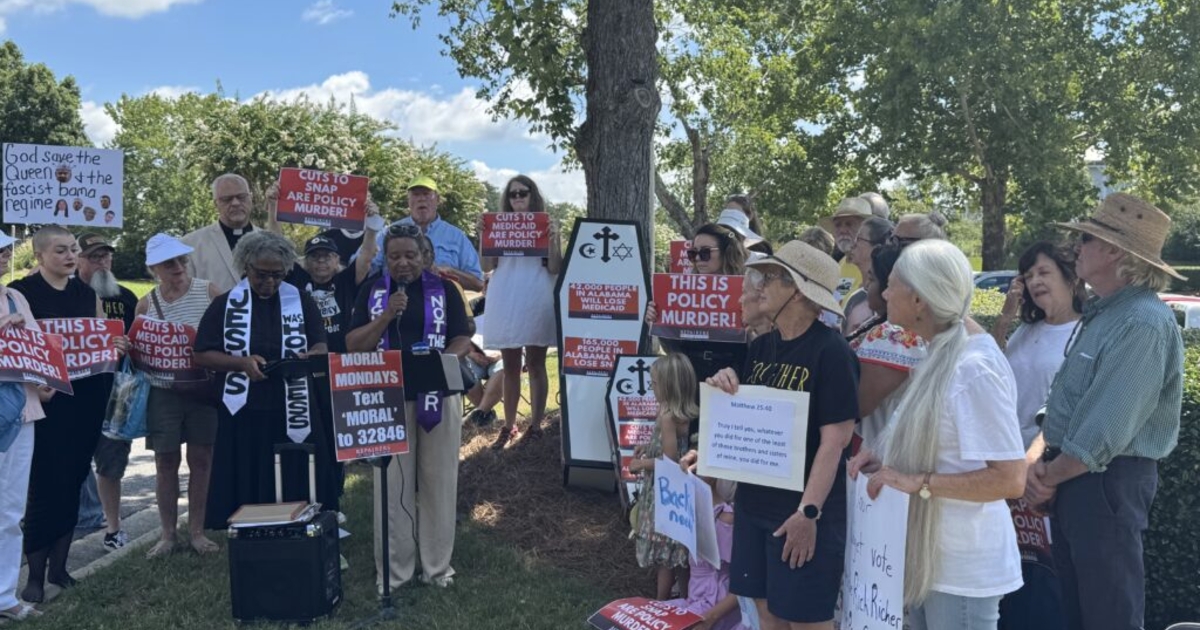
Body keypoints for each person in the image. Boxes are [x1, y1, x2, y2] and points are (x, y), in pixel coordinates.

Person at [1026, 193, 1186, 630]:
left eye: (1086, 239)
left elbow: (1102, 433)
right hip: (1085, 480)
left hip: (1102, 482)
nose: (1076, 247)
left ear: (1115, 252)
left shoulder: (1141, 322)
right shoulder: (1112, 314)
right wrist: (1046, 466)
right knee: (1084, 612)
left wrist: (1047, 475)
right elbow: (1070, 404)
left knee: (1107, 616)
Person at [848, 239, 1026, 630]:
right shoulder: (941, 353)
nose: (883, 294)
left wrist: (918, 482)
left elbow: (1010, 479)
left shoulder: (973, 368)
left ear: (918, 301)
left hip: (961, 570)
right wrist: (886, 459)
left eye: (891, 285)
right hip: (930, 563)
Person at [706, 240, 859, 629]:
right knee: (765, 612)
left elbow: (835, 441)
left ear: (798, 290)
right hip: (755, 506)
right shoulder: (761, 348)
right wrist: (727, 384)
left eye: (771, 277)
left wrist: (808, 513)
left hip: (801, 513)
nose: (760, 286)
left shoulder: (832, 352)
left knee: (806, 620)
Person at [346, 224, 473, 591]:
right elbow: (353, 344)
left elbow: (462, 337)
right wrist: (386, 316)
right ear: (385, 259)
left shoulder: (446, 289)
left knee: (438, 483)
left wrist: (443, 361)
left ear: (425, 257)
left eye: (410, 255)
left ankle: (437, 569)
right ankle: (394, 572)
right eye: (395, 256)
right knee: (392, 486)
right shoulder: (372, 291)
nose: (403, 263)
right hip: (388, 400)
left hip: (438, 396)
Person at [11, 226, 127, 604]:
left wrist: (115, 345)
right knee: (44, 486)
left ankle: (60, 569)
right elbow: (15, 347)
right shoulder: (22, 293)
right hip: (47, 401)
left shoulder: (86, 293)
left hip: (87, 399)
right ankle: (34, 576)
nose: (70, 256)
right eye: (60, 250)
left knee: (74, 479)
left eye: (73, 249)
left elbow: (101, 339)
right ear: (40, 256)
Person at [193, 231, 332, 529]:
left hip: (293, 405)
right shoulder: (226, 303)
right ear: (246, 266)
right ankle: (251, 532)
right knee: (249, 473)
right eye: (262, 274)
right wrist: (239, 363)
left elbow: (320, 344)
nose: (269, 282)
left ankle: (298, 528)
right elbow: (202, 353)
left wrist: (310, 356)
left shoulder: (301, 301)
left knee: (294, 471)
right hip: (244, 408)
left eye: (278, 275)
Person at [988, 241, 1082, 630]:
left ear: (1070, 277)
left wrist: (1040, 461)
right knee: (1011, 579)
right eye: (1028, 275)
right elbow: (990, 366)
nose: (1035, 281)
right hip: (1006, 467)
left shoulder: (1085, 333)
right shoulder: (1027, 331)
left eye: (1044, 272)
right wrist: (1006, 316)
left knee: (1047, 579)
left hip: (1045, 470)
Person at [135, 234, 223, 558]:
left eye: (182, 259)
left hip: (202, 388)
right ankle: (168, 534)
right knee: (165, 460)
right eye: (169, 262)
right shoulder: (146, 304)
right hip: (163, 392)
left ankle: (197, 531)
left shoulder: (209, 291)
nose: (178, 267)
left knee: (201, 459)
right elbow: (138, 351)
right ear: (154, 269)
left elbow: (229, 332)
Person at [479, 176, 561, 448]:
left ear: (532, 195)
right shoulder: (498, 226)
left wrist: (554, 240)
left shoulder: (545, 225)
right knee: (510, 366)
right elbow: (487, 265)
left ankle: (536, 426)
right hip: (506, 298)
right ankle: (509, 425)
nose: (517, 198)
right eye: (512, 194)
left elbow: (555, 267)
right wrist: (483, 236)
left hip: (536, 297)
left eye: (522, 193)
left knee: (536, 364)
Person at [74, 233, 140, 552]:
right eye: (94, 257)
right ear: (79, 260)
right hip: (75, 390)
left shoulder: (126, 297)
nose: (102, 262)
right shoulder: (67, 294)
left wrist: (130, 346)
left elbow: (141, 341)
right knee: (69, 460)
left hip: (117, 391)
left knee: (112, 462)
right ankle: (67, 523)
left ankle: (113, 528)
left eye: (106, 256)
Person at [0, 234, 51, 622]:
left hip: (22, 412)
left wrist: (45, 380)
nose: (4, 255)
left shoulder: (17, 298)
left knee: (11, 509)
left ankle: (5, 596)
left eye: (5, 249)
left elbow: (35, 350)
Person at [628, 353, 697, 600]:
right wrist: (647, 447)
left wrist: (641, 464)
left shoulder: (668, 417)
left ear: (668, 386)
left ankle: (661, 601)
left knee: (665, 553)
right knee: (679, 552)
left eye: (654, 383)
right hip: (679, 491)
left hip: (664, 492)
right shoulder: (681, 414)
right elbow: (668, 446)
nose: (652, 388)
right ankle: (689, 599)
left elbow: (669, 461)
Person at [645, 223, 749, 386]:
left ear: (726, 252)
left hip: (731, 378)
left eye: (705, 252)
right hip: (688, 377)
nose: (698, 258)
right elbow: (672, 349)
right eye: (693, 253)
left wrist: (751, 327)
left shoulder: (747, 291)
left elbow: (756, 345)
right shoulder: (681, 293)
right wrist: (658, 323)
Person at [847, 244, 926, 450]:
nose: (866, 286)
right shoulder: (879, 323)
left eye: (872, 279)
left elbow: (856, 404)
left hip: (875, 448)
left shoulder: (895, 336)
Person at [368, 176, 484, 292]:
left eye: (426, 194)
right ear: (408, 201)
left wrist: (450, 272)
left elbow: (478, 284)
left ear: (438, 199)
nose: (421, 199)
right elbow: (365, 269)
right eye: (416, 194)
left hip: (442, 301)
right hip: (395, 299)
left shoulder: (457, 237)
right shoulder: (389, 232)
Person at [662, 478, 749, 630]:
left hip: (714, 604)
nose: (687, 473)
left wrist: (710, 617)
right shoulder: (690, 513)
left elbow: (745, 581)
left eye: (695, 469)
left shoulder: (725, 519)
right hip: (694, 599)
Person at [183, 173, 261, 293]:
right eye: (227, 199)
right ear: (216, 204)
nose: (235, 203)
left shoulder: (269, 240)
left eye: (241, 197)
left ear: (251, 198)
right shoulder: (190, 245)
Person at [819, 196, 875, 307]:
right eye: (838, 225)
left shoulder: (876, 264)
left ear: (865, 229)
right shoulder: (842, 263)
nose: (843, 230)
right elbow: (840, 301)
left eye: (849, 224)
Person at [842, 216, 893, 334]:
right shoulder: (857, 291)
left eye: (859, 239)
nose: (853, 244)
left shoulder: (883, 296)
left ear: (876, 247)